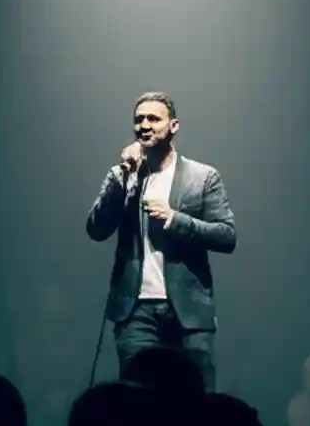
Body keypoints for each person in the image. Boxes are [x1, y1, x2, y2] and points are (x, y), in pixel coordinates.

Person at [86, 92, 236, 391]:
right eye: (138, 119)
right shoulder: (122, 175)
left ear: (173, 126)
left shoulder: (202, 176)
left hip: (188, 312)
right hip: (135, 312)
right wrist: (121, 180)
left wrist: (174, 218)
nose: (144, 125)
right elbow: (97, 228)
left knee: (197, 403)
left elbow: (226, 235)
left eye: (153, 118)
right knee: (137, 404)